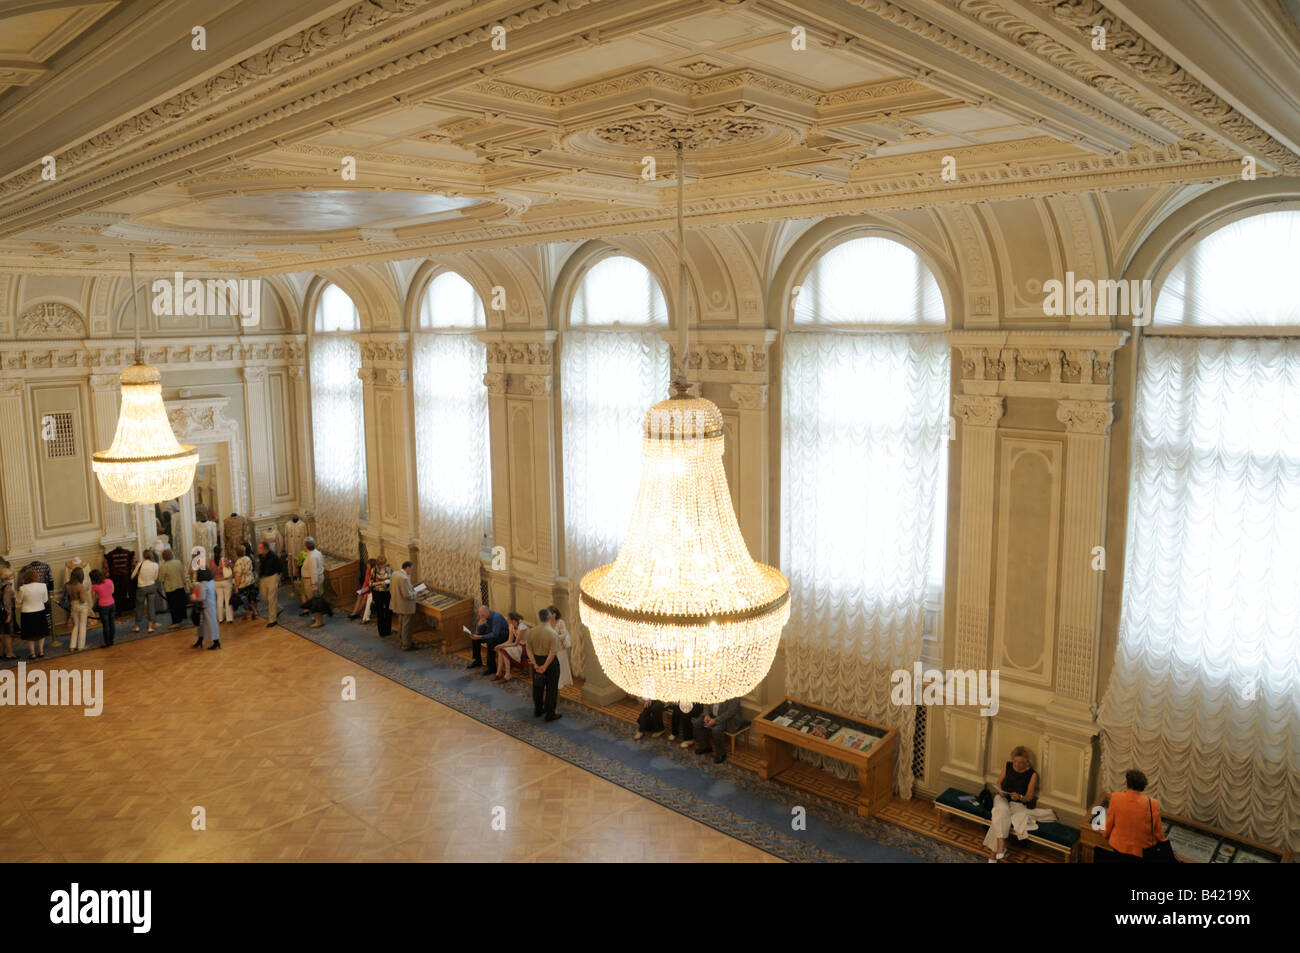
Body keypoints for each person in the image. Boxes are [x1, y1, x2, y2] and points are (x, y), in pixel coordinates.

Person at [1103, 768, 1170, 862]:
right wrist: (1166, 846)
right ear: (1143, 786)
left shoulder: (1116, 797)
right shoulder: (1153, 804)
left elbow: (1109, 824)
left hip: (1118, 848)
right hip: (1141, 852)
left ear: (1127, 783)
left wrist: (1104, 834)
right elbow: (1157, 832)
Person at [985, 746, 1039, 861]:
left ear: (1026, 762)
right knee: (1002, 809)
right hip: (1002, 798)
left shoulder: (1032, 774)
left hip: (1017, 803)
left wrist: (1019, 796)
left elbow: (1029, 797)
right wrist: (1000, 791)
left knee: (998, 815)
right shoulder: (1007, 765)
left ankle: (993, 856)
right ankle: (1001, 844)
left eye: (1020, 762)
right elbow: (999, 782)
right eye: (1015, 761)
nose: (1016, 764)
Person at [527, 608, 561, 723]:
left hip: (536, 659)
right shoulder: (552, 633)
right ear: (549, 617)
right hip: (550, 663)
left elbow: (529, 649)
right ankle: (550, 713)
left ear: (539, 617)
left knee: (537, 686)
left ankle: (538, 709)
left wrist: (535, 664)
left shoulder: (532, 631)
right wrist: (545, 666)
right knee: (551, 688)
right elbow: (552, 653)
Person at [692, 697, 742, 764]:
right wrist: (706, 715)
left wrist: (715, 721)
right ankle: (705, 747)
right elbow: (706, 702)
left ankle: (721, 754)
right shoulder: (713, 688)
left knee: (716, 730)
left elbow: (730, 713)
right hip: (711, 715)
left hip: (726, 719)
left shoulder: (734, 694)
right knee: (697, 723)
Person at [17, 568, 50, 658]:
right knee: (41, 632)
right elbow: (45, 600)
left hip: (27, 612)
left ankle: (32, 654)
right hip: (40, 610)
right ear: (36, 577)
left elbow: (18, 601)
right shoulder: (43, 586)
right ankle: (41, 651)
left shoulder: (22, 588)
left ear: (25, 578)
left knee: (29, 634)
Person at [469, 604, 509, 673]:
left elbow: (495, 634)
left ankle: (492, 667)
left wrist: (480, 637)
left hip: (502, 636)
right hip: (492, 634)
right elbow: (480, 632)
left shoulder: (496, 617)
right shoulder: (484, 616)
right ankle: (477, 661)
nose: (481, 617)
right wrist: (479, 625)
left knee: (490, 642)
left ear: (488, 612)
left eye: (483, 615)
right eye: (480, 615)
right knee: (475, 639)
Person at [492, 611, 529, 682]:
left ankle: (507, 675)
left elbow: (515, 643)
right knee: (501, 649)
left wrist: (501, 646)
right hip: (518, 645)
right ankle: (498, 673)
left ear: (513, 620)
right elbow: (509, 640)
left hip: (525, 647)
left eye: (508, 619)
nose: (507, 620)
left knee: (504, 650)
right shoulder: (511, 626)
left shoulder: (522, 627)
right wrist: (500, 646)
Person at [130, 550, 160, 634]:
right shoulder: (155, 565)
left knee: (139, 606)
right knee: (151, 606)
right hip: (151, 586)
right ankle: (150, 627)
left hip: (141, 587)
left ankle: (136, 626)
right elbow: (156, 577)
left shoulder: (140, 564)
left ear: (144, 556)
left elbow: (132, 576)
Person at [191, 567, 221, 650]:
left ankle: (216, 642)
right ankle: (200, 640)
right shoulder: (211, 582)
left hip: (206, 607)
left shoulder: (202, 584)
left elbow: (201, 598)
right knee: (207, 625)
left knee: (208, 625)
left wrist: (193, 598)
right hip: (211, 605)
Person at [390, 560, 418, 650]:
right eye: (411, 569)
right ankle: (406, 645)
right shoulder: (404, 578)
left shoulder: (395, 574)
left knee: (401, 623)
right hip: (405, 605)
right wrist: (416, 593)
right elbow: (407, 595)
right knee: (406, 625)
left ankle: (402, 640)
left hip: (397, 603)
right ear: (407, 567)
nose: (411, 571)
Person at [159, 549, 189, 629]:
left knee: (173, 606)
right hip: (180, 586)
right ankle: (183, 617)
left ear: (163, 557)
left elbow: (161, 579)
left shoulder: (163, 566)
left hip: (170, 588)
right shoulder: (178, 562)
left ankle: (176, 622)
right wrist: (185, 585)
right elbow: (183, 575)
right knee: (181, 603)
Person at [303, 537, 329, 628]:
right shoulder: (317, 552)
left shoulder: (312, 557)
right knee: (316, 599)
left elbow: (313, 571)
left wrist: (314, 584)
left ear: (306, 546)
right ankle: (316, 617)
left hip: (312, 580)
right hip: (317, 578)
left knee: (315, 601)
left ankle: (319, 621)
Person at [257, 542, 282, 627]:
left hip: (272, 577)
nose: (258, 550)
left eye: (260, 548)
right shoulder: (261, 556)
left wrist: (278, 577)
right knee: (265, 597)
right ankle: (278, 609)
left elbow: (280, 567)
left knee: (271, 598)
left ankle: (272, 619)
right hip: (264, 577)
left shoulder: (273, 556)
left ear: (265, 549)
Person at [548, 604, 573, 691]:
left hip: (560, 647)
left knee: (560, 665)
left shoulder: (560, 622)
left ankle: (562, 682)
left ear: (554, 614)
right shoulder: (547, 622)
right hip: (551, 647)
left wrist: (555, 637)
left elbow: (564, 634)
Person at [89, 568, 116, 647]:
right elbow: (112, 591)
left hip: (103, 606)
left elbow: (94, 599)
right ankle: (112, 640)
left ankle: (107, 643)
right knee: (112, 623)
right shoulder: (109, 581)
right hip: (112, 604)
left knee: (106, 625)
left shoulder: (95, 587)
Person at [66, 567, 91, 653]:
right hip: (82, 606)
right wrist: (86, 591)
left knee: (76, 625)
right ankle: (81, 646)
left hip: (73, 605)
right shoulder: (80, 586)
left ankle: (72, 646)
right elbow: (83, 600)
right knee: (82, 626)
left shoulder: (67, 585)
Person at [370, 556, 393, 637]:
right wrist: (380, 583)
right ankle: (382, 632)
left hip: (387, 592)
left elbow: (392, 578)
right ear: (379, 564)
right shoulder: (374, 570)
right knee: (380, 612)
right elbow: (371, 584)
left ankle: (388, 630)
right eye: (382, 564)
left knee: (389, 611)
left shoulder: (389, 569)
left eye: (385, 564)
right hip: (378, 593)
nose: (384, 565)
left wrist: (390, 582)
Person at [233, 544, 257, 620]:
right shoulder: (248, 558)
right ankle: (255, 612)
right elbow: (251, 569)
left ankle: (248, 614)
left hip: (243, 584)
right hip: (251, 581)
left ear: (236, 553)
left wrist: (236, 587)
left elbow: (238, 576)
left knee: (244, 599)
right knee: (251, 598)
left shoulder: (238, 562)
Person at [213, 553, 235, 623]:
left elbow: (212, 572)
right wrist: (230, 563)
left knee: (219, 600)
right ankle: (229, 618)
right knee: (227, 599)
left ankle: (220, 618)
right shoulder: (224, 560)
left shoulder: (212, 561)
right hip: (225, 581)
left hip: (216, 582)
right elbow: (231, 567)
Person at [0, 566, 16, 660]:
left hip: (1, 611)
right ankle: (9, 653)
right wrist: (9, 614)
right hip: (6, 612)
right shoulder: (8, 586)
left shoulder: (1, 584)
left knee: (2, 633)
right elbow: (7, 602)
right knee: (8, 634)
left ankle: (3, 652)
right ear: (8, 576)